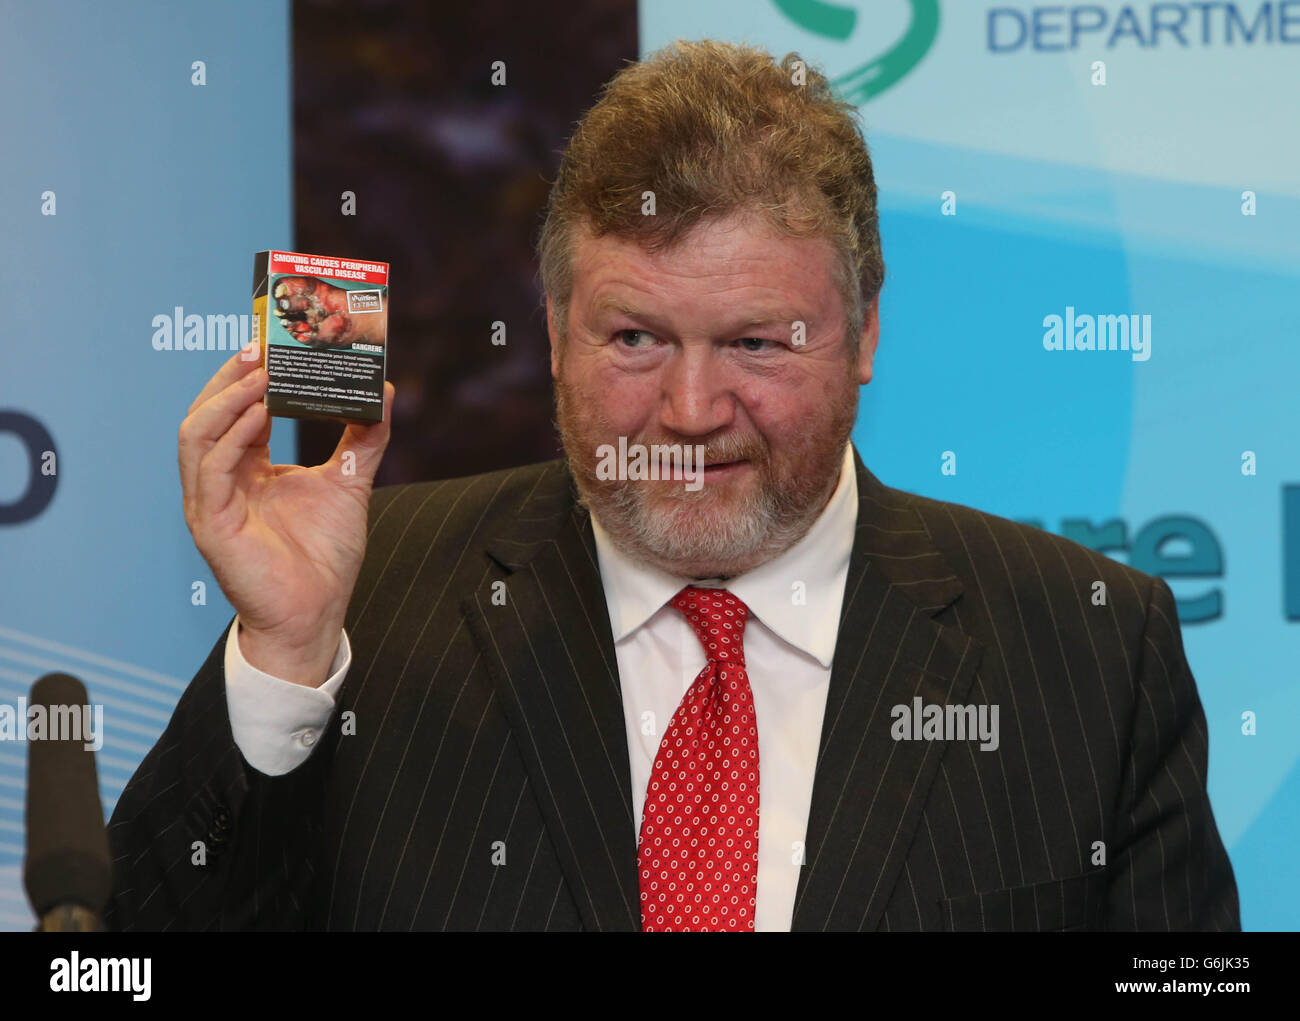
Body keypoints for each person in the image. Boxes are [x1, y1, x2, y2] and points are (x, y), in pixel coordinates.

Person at [106, 40, 1239, 932]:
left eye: (756, 343)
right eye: (636, 337)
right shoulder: (365, 598)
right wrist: (285, 662)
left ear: (864, 336)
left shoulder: (1089, 649)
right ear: (554, 333)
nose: (691, 411)